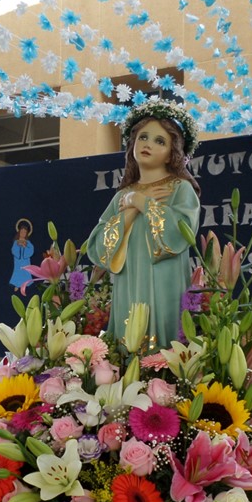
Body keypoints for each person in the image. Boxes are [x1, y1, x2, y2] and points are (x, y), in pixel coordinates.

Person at [86, 98, 201, 349]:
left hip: (164, 282)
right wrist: (129, 209)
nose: (148, 144)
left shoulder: (180, 189)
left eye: (159, 141)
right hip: (128, 282)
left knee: (164, 344)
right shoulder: (121, 195)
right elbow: (97, 248)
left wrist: (141, 202)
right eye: (143, 137)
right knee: (128, 342)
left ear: (173, 152)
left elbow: (180, 233)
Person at [9, 219, 35, 293]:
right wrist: (18, 245)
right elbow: (14, 250)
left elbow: (31, 250)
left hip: (25, 261)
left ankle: (26, 285)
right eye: (22, 232)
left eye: (25, 232)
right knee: (18, 272)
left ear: (26, 233)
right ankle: (17, 285)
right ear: (19, 232)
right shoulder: (16, 242)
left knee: (26, 272)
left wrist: (25, 247)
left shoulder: (28, 242)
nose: (23, 233)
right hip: (18, 261)